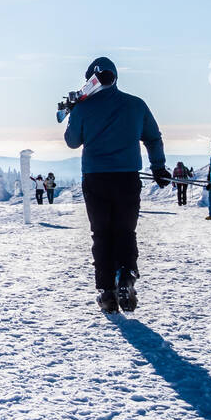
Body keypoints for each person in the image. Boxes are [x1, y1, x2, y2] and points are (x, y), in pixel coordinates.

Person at [64, 56, 168, 313]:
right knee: (125, 231)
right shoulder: (136, 104)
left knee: (101, 234)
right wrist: (158, 167)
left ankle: (107, 293)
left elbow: (72, 142)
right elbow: (153, 138)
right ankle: (127, 276)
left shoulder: (83, 107)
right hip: (127, 177)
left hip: (96, 177)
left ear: (91, 80)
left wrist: (73, 111)